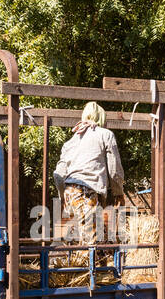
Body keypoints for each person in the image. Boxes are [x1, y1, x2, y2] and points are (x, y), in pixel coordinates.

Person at [53, 101, 124, 246]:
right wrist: (118, 193)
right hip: (87, 193)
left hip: (70, 194)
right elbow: (114, 170)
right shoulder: (106, 135)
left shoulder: (71, 141)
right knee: (92, 243)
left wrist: (64, 196)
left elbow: (58, 175)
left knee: (75, 241)